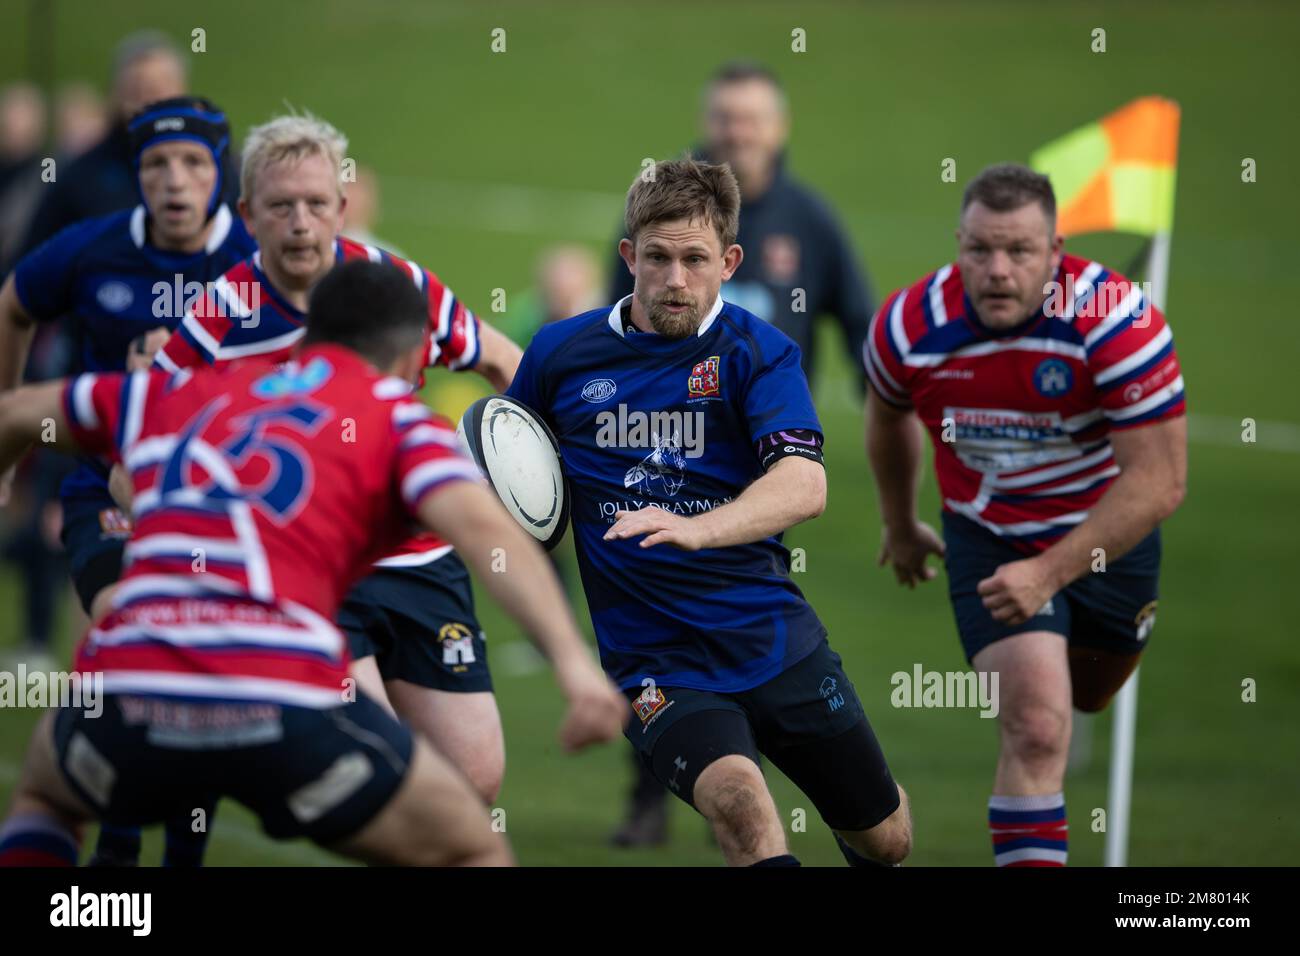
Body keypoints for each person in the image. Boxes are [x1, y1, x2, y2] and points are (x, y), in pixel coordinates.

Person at [0, 259, 626, 867]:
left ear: (309, 336)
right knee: (471, 844)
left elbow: (18, 412)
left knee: (44, 799)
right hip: (278, 697)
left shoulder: (175, 392)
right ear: (412, 359)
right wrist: (575, 666)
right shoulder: (398, 422)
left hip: (129, 684)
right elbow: (490, 531)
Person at [508, 157, 911, 867]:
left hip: (772, 641)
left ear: (728, 261)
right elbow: (514, 472)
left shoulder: (759, 354)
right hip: (656, 664)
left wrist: (699, 528)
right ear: (629, 255)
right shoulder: (559, 355)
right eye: (656, 258)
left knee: (887, 837)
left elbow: (803, 484)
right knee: (742, 806)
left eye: (695, 259)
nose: (674, 279)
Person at [150, 113, 522, 823]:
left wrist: (542, 457)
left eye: (316, 204)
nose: (299, 222)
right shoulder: (218, 317)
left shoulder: (396, 285)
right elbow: (146, 438)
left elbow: (504, 361)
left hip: (420, 561)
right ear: (247, 216)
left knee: (475, 781)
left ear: (343, 207)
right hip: (309, 570)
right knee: (387, 764)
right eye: (280, 206)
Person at [864, 162, 1187, 866]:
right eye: (979, 250)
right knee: (1039, 729)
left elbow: (1160, 481)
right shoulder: (911, 325)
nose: (998, 271)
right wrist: (899, 523)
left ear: (1057, 251)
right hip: (990, 535)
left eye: (1020, 251)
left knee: (1090, 697)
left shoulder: (1117, 323)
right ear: (958, 244)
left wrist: (1051, 573)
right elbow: (886, 416)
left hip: (1109, 534)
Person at [607, 61, 879, 848]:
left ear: (778, 130)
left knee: (737, 610)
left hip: (761, 471)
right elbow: (607, 327)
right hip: (660, 462)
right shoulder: (658, 214)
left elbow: (859, 321)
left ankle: (739, 767)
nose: (737, 131)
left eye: (752, 119)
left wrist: (886, 416)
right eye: (725, 117)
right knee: (657, 609)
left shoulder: (809, 222)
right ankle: (666, 790)